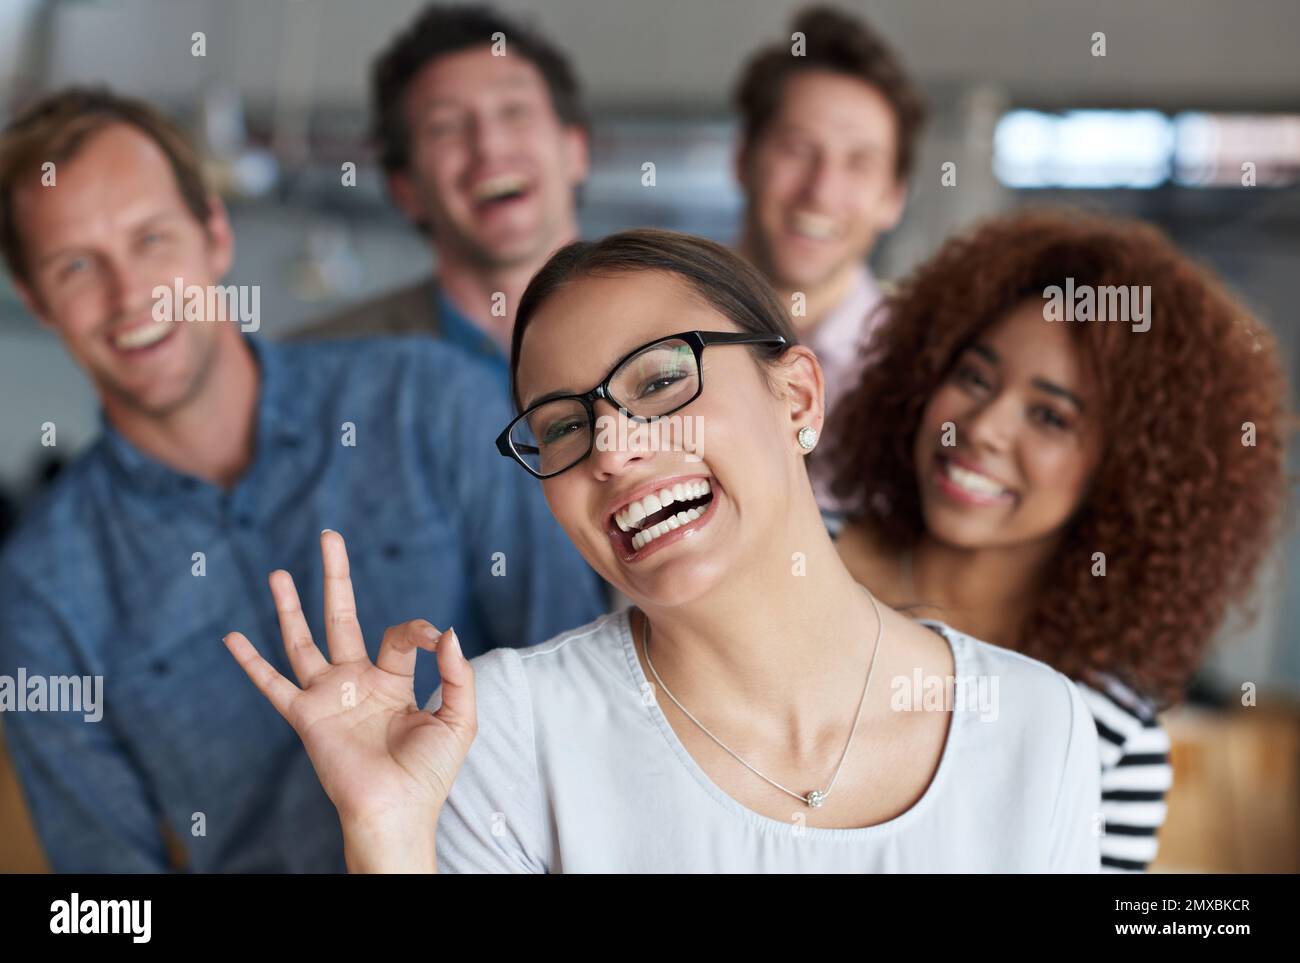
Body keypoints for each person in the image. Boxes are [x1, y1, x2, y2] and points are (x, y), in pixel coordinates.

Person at [225, 229, 1102, 872]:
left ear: (797, 397)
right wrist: (388, 834)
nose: (611, 447)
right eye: (564, 424)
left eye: (658, 379)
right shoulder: (498, 730)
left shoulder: (1038, 726)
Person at [0, 87, 605, 872]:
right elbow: (112, 898)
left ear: (214, 234)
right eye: (77, 264)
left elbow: (582, 690)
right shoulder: (40, 589)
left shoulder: (428, 401)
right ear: (36, 301)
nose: (129, 296)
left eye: (151, 238)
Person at [823, 209, 1290, 872]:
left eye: (1049, 416)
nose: (983, 426)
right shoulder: (791, 560)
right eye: (975, 377)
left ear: (1127, 472)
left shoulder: (1113, 734)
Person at [291, 2, 590, 396]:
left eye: (515, 111)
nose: (489, 147)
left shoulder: (682, 322)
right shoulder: (317, 372)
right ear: (406, 189)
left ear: (575, 151)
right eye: (445, 126)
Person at [732, 5, 924, 505]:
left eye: (859, 163)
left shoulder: (925, 369)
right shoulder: (653, 337)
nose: (821, 191)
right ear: (742, 160)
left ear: (893, 197)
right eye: (798, 149)